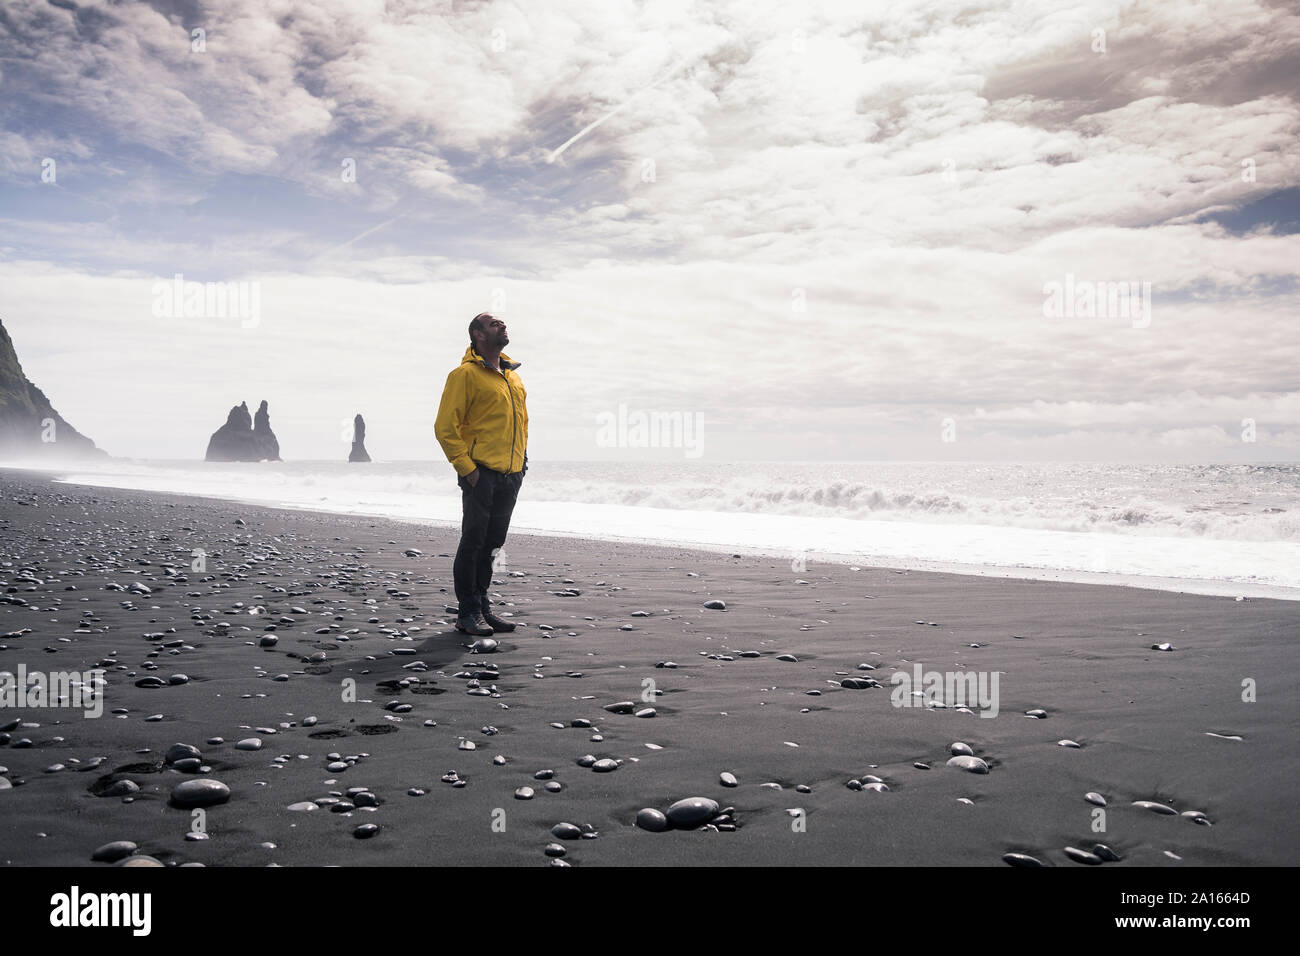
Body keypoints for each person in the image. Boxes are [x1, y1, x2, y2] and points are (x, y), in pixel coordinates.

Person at [435, 312, 529, 636]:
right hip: (481, 474)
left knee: (493, 544)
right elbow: (445, 428)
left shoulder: (513, 377)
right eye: (494, 324)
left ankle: (483, 606)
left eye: (503, 322)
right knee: (473, 542)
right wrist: (468, 469)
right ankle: (468, 612)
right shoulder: (464, 376)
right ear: (478, 335)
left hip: (511, 474)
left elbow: (522, 424)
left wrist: (522, 463)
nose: (502, 325)